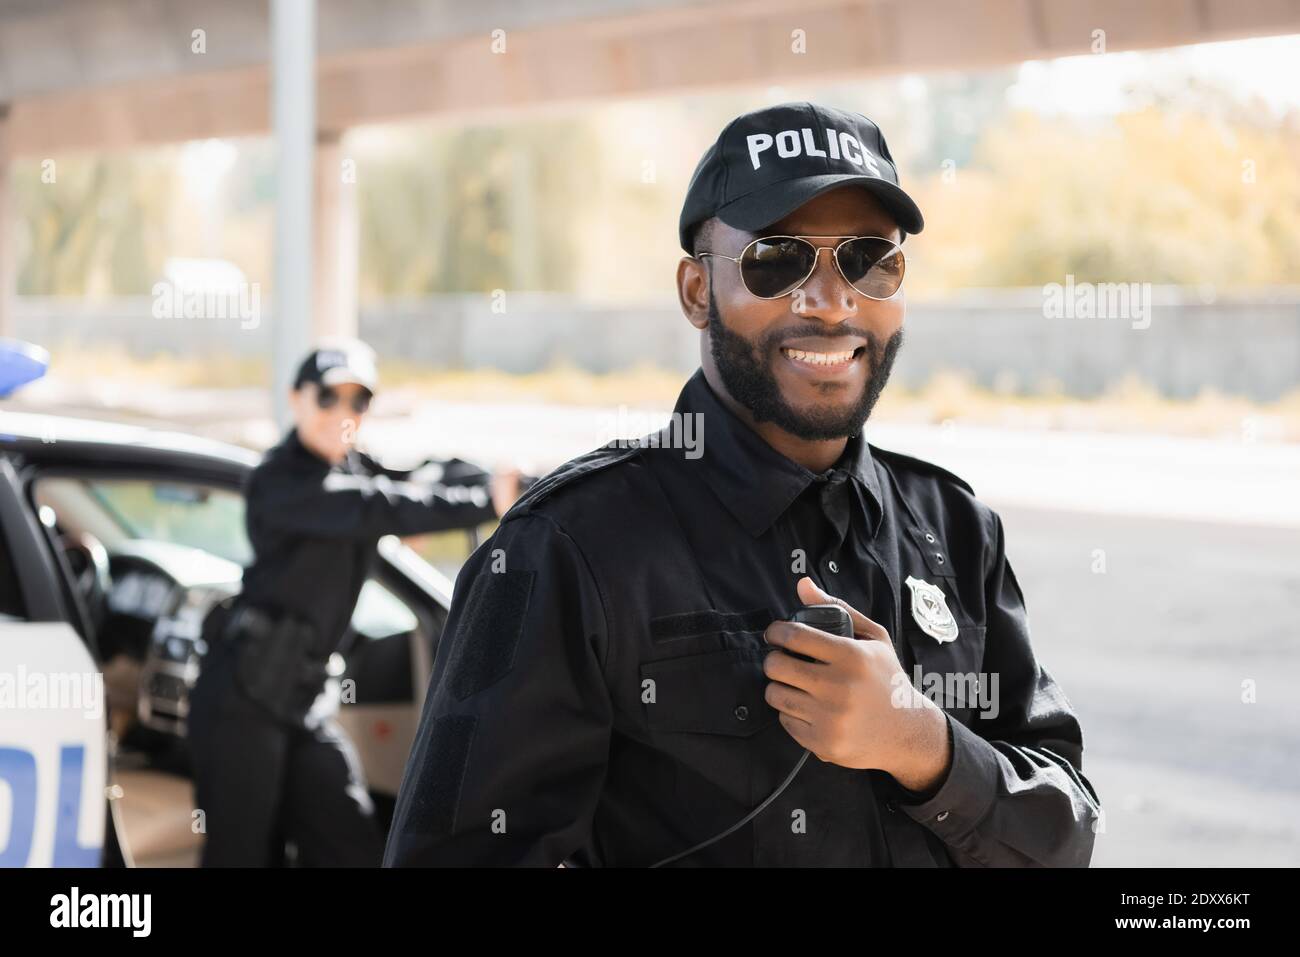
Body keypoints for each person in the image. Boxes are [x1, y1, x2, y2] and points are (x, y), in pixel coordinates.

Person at [385, 103, 1101, 867]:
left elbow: (1066, 836)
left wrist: (925, 747)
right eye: (777, 259)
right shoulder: (567, 548)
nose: (830, 301)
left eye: (869, 258)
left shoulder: (955, 529)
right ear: (697, 291)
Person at [188, 339, 518, 867]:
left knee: (349, 842)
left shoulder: (357, 469)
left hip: (305, 698)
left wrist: (498, 480)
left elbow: (422, 477)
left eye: (357, 402)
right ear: (296, 399)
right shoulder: (280, 481)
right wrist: (487, 502)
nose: (341, 414)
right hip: (242, 699)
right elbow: (378, 508)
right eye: (327, 398)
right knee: (242, 856)